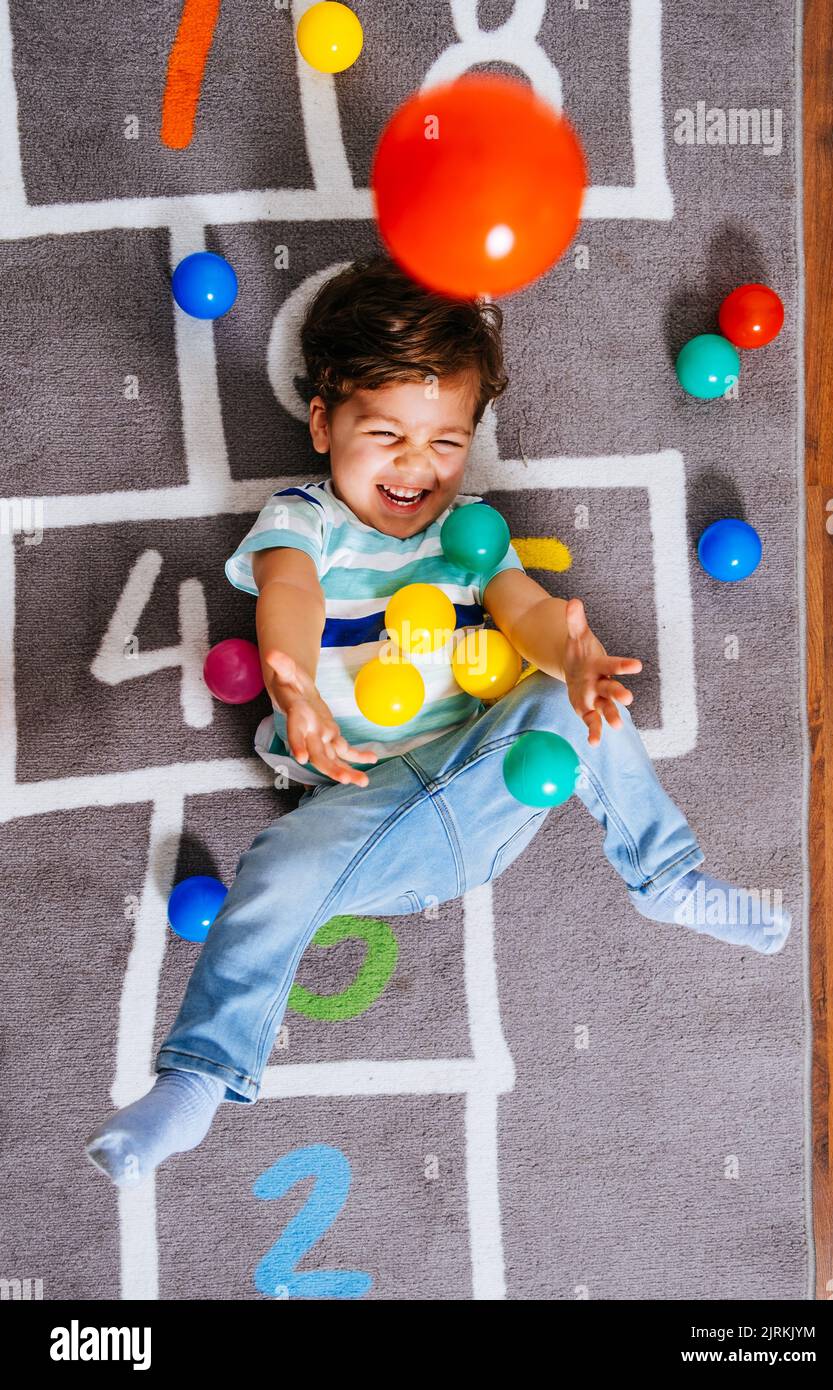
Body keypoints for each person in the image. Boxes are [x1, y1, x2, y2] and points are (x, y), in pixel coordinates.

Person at [85, 254, 790, 1188]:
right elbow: (288, 593)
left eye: (446, 443)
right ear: (323, 422)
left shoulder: (472, 532)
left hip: (493, 785)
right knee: (276, 867)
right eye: (385, 435)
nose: (418, 467)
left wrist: (570, 654)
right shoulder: (306, 519)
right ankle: (197, 1084)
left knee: (569, 701)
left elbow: (526, 608)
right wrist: (294, 686)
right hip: (370, 823)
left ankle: (667, 877)